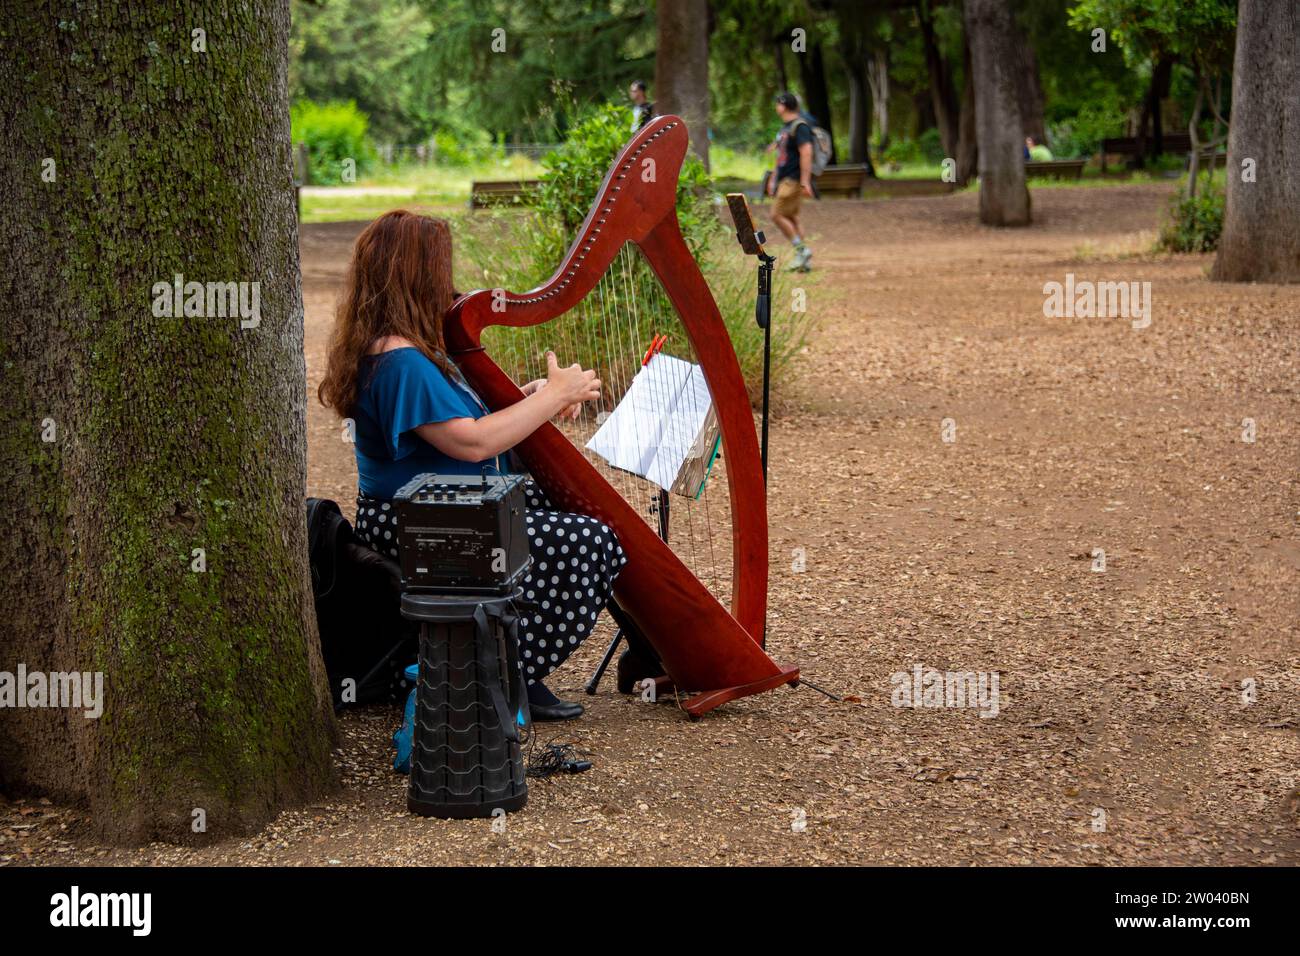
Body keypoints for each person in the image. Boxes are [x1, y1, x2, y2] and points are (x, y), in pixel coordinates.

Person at [318, 210, 626, 721]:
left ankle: (507, 668)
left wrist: (531, 397)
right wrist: (551, 397)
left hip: (448, 512)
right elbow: (472, 444)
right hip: (418, 522)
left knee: (556, 509)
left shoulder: (412, 347)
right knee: (588, 542)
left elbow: (462, 419)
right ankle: (500, 676)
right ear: (416, 273)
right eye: (440, 266)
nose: (450, 279)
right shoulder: (398, 360)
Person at [768, 92, 815, 272]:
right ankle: (805, 261)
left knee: (776, 214)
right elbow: (779, 155)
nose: (776, 107)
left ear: (783, 104)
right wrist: (773, 179)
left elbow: (806, 152)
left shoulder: (800, 126)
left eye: (777, 103)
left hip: (793, 179)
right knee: (791, 217)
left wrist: (805, 181)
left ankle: (802, 250)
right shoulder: (785, 128)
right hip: (783, 178)